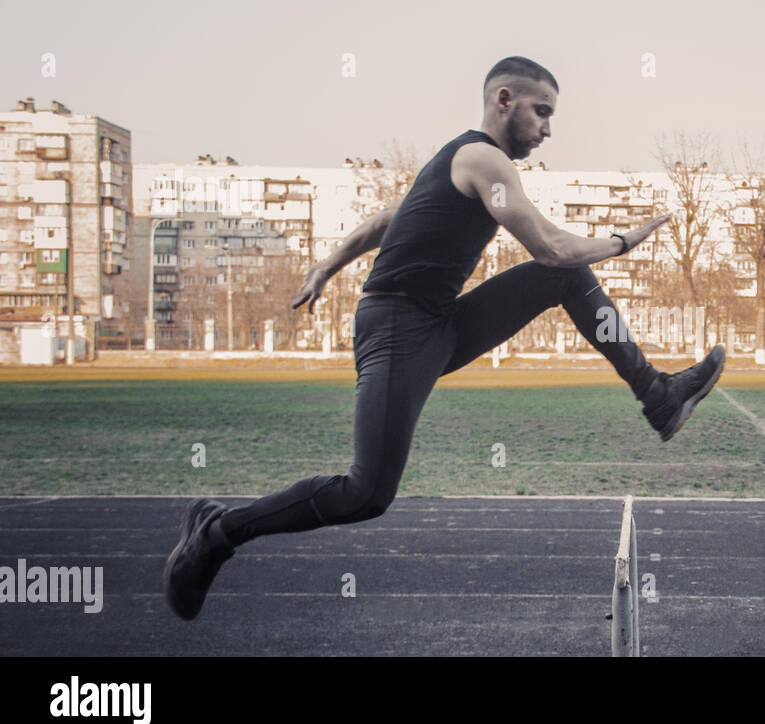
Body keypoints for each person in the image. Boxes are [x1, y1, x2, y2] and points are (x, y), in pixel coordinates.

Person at [163, 56, 725, 621]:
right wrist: (622, 241)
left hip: (441, 322)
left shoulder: (460, 164)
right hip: (397, 327)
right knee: (366, 493)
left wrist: (327, 265)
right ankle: (217, 532)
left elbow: (385, 221)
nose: (548, 129)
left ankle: (657, 395)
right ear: (503, 99)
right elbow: (551, 247)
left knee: (567, 278)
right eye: (541, 111)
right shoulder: (482, 158)